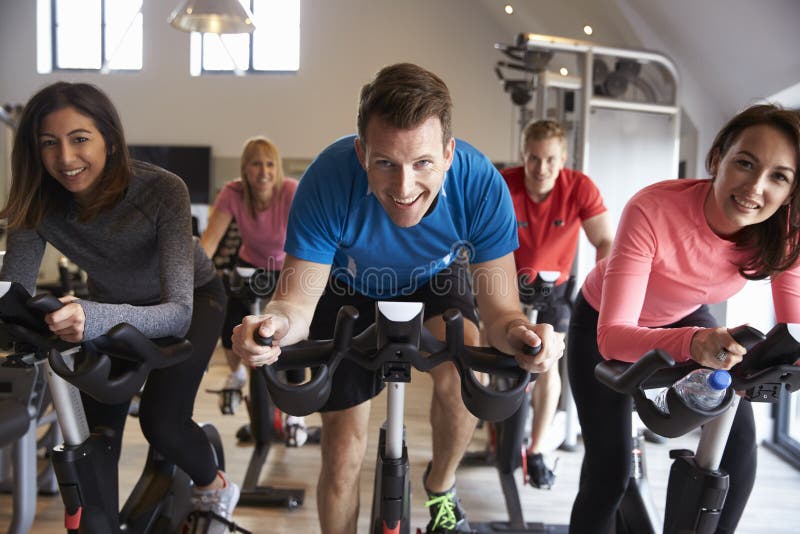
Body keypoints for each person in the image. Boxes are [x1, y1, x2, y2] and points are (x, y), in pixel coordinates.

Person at [231, 62, 564, 534]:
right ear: (361, 152)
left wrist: (525, 336)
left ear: (449, 153)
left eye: (423, 163)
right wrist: (270, 329)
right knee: (343, 450)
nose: (405, 188)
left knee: (464, 369)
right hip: (347, 284)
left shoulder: (479, 184)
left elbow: (501, 314)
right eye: (385, 162)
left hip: (434, 278)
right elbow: (296, 305)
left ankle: (442, 485)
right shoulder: (327, 181)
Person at [0, 81, 240, 531]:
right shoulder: (37, 200)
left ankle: (215, 485)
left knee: (162, 422)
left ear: (109, 138)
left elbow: (176, 312)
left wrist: (90, 317)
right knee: (97, 438)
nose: (66, 159)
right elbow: (14, 292)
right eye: (49, 144)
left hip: (193, 300)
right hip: (109, 307)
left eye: (80, 139)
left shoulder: (162, 190)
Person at [566, 103, 800, 534]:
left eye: (779, 176)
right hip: (603, 322)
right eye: (745, 163)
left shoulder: (785, 228)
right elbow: (613, 338)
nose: (755, 187)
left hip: (686, 319)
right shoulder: (654, 209)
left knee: (737, 444)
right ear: (718, 159)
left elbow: (794, 328)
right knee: (610, 471)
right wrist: (694, 343)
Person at [500, 119, 613, 489]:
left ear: (562, 158)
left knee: (548, 364)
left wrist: (607, 291)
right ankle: (494, 429)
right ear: (523, 155)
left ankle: (536, 450)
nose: (541, 168)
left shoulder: (579, 187)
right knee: (491, 359)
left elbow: (605, 241)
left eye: (550, 159)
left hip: (557, 289)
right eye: (533, 158)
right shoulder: (505, 183)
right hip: (506, 286)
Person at [200, 137, 301, 425]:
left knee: (293, 334)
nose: (263, 171)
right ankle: (237, 374)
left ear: (277, 168)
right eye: (256, 164)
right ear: (245, 168)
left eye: (270, 164)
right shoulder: (233, 192)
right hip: (249, 266)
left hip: (286, 265)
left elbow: (309, 235)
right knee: (231, 319)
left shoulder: (291, 191)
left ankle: (295, 412)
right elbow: (209, 242)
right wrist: (193, 275)